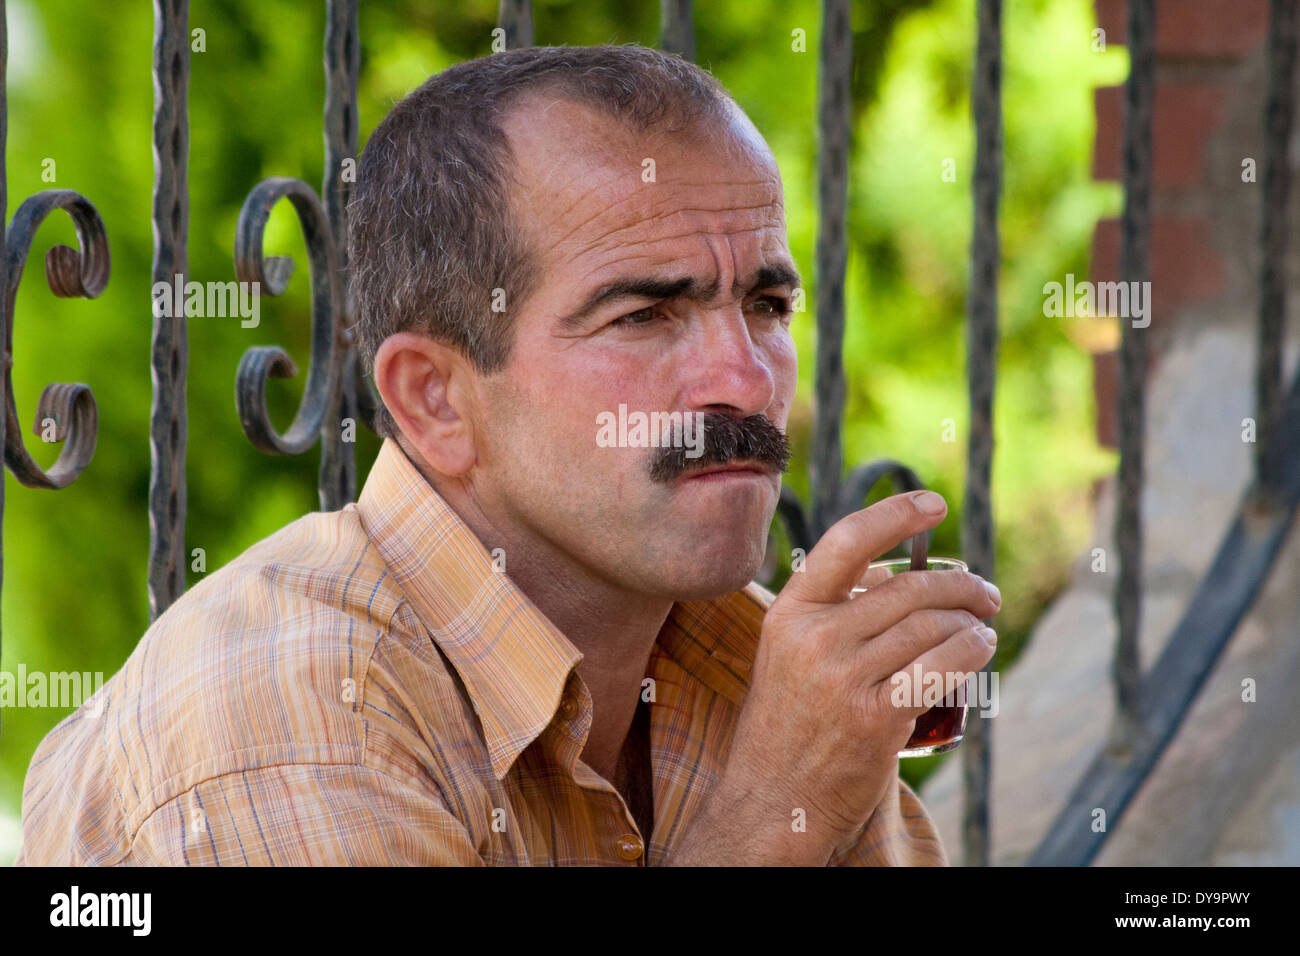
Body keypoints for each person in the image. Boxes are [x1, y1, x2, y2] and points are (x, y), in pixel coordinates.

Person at [15, 44, 999, 866]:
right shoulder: (290, 719)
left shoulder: (745, 658)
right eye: (645, 314)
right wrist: (774, 813)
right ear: (433, 399)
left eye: (766, 305)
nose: (743, 379)